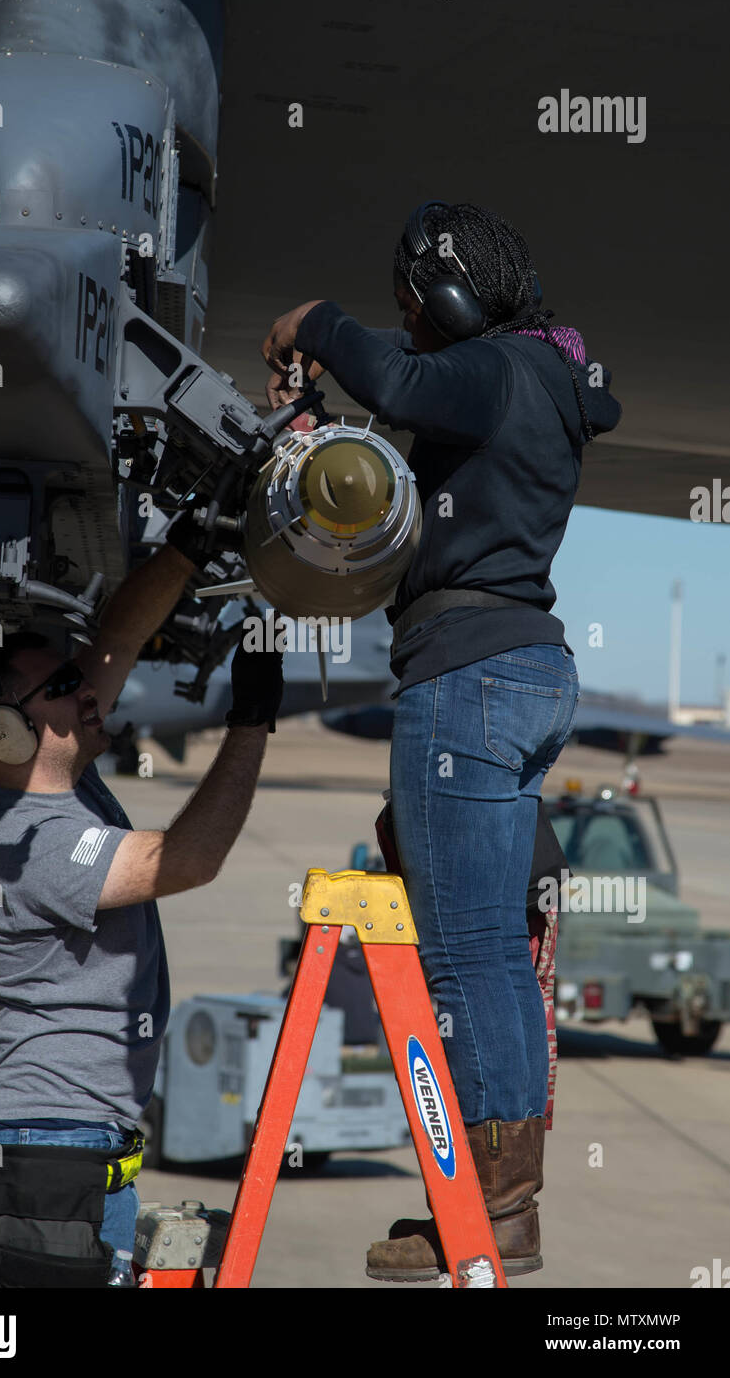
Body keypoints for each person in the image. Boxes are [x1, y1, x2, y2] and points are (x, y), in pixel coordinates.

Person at [262, 200, 622, 1281]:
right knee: (488, 952)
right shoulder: (548, 380)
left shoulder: (496, 371)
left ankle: (488, 1210)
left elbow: (406, 384)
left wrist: (314, 323)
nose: (407, 328)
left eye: (413, 306)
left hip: (463, 682)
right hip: (525, 672)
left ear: (455, 297)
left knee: (462, 956)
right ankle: (494, 1200)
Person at [0, 518, 284, 1287]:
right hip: (47, 1163)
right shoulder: (41, 847)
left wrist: (193, 542)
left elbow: (118, 636)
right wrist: (250, 724)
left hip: (58, 1156)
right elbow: (186, 860)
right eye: (64, 689)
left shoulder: (43, 782)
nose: (87, 691)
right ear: (7, 729)